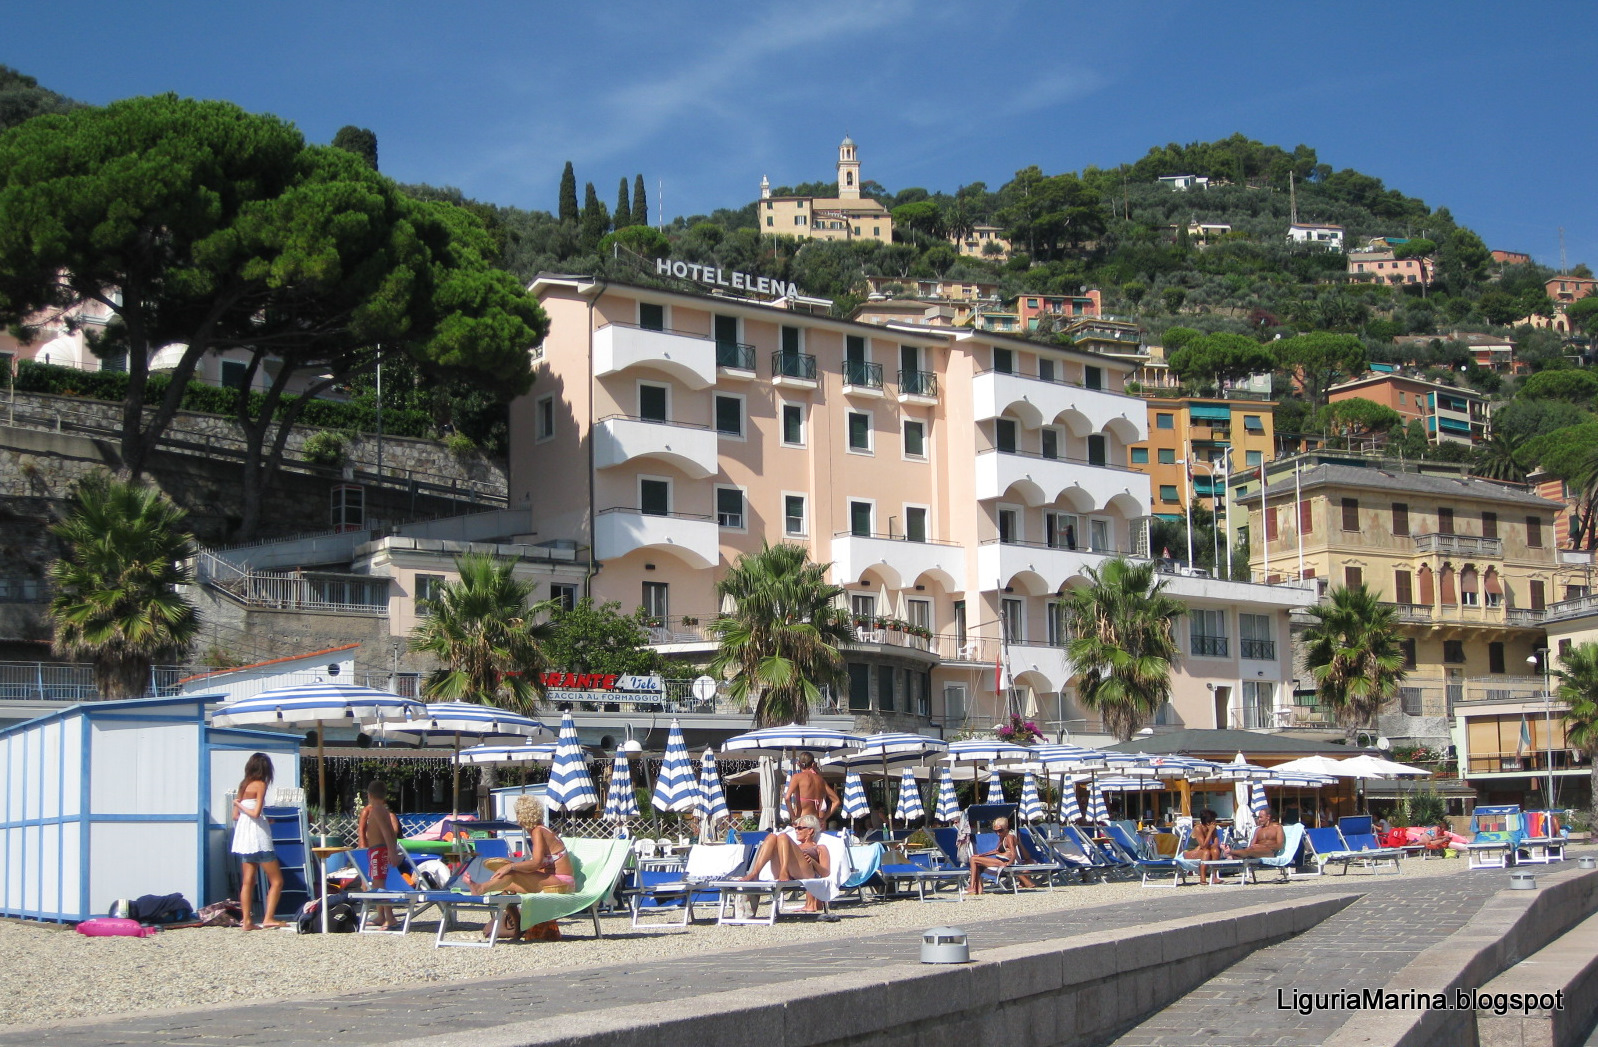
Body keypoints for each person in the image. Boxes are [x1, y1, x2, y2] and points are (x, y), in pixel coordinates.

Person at [467, 795, 575, 940]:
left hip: (562, 883)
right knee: (506, 888)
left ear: (522, 815)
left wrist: (510, 866)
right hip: (553, 880)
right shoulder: (541, 830)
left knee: (511, 874)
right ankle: (518, 927)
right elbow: (539, 867)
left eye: (517, 814)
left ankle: (481, 888)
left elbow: (536, 863)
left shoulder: (538, 831)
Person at [230, 753, 287, 930]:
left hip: (245, 839)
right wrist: (242, 806)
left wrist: (242, 807)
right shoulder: (261, 785)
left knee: (248, 880)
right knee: (277, 880)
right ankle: (268, 917)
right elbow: (255, 812)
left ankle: (246, 920)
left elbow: (235, 816)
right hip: (259, 838)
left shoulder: (244, 785)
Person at [741, 813, 832, 911]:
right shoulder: (792, 847)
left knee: (783, 836)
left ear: (810, 831)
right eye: (795, 828)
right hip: (784, 873)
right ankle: (755, 872)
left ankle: (784, 871)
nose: (796, 831)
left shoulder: (820, 848)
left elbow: (826, 873)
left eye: (800, 828)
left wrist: (813, 862)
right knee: (771, 837)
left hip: (806, 873)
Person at [357, 780, 404, 931]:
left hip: (379, 850)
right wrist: (393, 849)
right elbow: (392, 832)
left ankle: (390, 917)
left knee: (379, 885)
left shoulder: (376, 811)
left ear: (369, 795)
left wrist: (391, 851)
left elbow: (385, 831)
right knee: (378, 883)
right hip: (379, 850)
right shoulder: (384, 811)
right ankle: (381, 915)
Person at [968, 816, 1032, 895]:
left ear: (1006, 827)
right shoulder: (1002, 836)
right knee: (976, 862)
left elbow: (1013, 852)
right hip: (1000, 861)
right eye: (995, 831)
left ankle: (971, 887)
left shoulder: (1009, 837)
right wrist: (981, 855)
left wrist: (1009, 864)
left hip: (1003, 862)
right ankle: (978, 890)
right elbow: (996, 851)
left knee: (973, 859)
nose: (998, 833)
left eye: (1000, 830)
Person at [785, 752, 839, 822]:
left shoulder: (797, 777)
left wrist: (793, 817)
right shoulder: (820, 779)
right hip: (815, 821)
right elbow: (836, 801)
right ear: (813, 764)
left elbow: (787, 798)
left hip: (801, 819)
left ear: (798, 763)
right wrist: (823, 819)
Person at [1183, 809, 1222, 885]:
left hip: (1201, 851)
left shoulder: (1213, 828)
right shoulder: (1198, 828)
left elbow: (1216, 844)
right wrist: (1210, 832)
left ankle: (1214, 876)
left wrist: (1202, 847)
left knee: (1215, 851)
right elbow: (1204, 846)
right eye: (1214, 820)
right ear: (1208, 823)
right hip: (1190, 852)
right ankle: (1202, 878)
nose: (1215, 822)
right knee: (1206, 852)